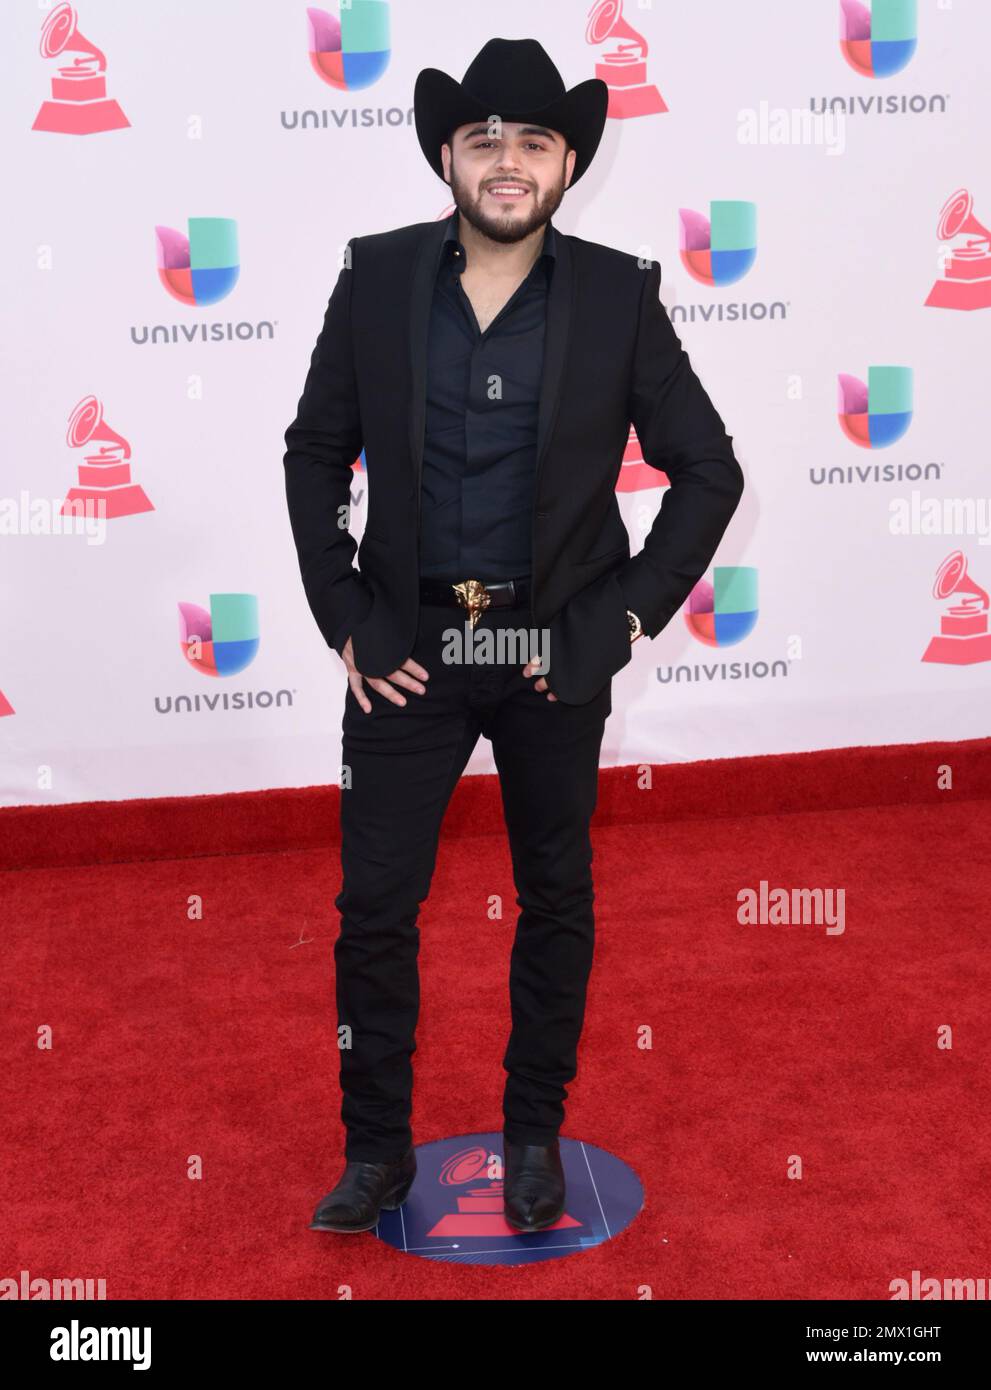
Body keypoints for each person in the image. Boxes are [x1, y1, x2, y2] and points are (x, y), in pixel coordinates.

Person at [283, 37, 745, 1235]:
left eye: (533, 141)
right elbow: (312, 450)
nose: (507, 162)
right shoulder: (376, 279)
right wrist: (344, 611)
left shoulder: (619, 294)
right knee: (374, 909)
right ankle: (375, 1148)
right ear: (447, 154)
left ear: (568, 161)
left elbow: (708, 469)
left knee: (556, 895)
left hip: (550, 656)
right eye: (483, 138)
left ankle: (533, 1132)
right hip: (408, 654)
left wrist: (623, 617)